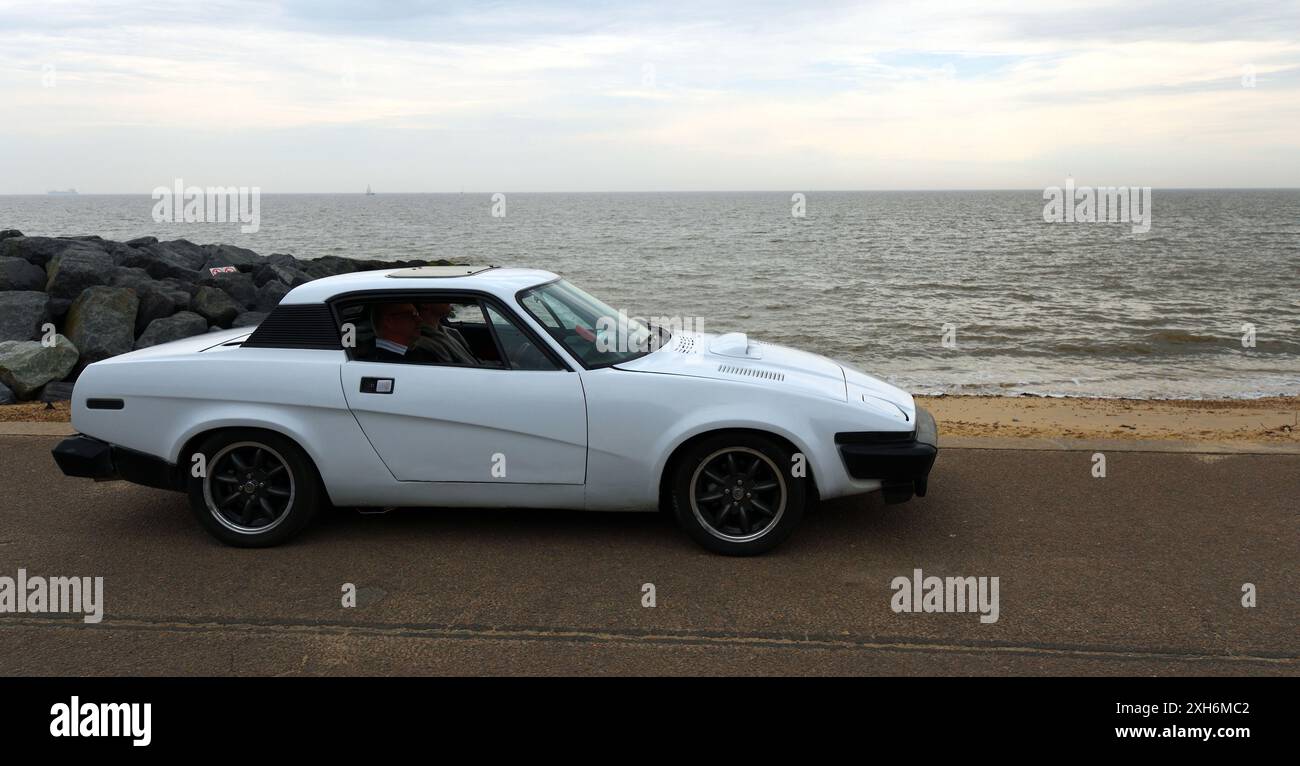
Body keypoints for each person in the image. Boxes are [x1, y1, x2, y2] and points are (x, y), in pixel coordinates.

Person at [412, 302, 479, 364]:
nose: (448, 300)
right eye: (440, 296)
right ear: (425, 304)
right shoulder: (421, 345)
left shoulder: (452, 332)